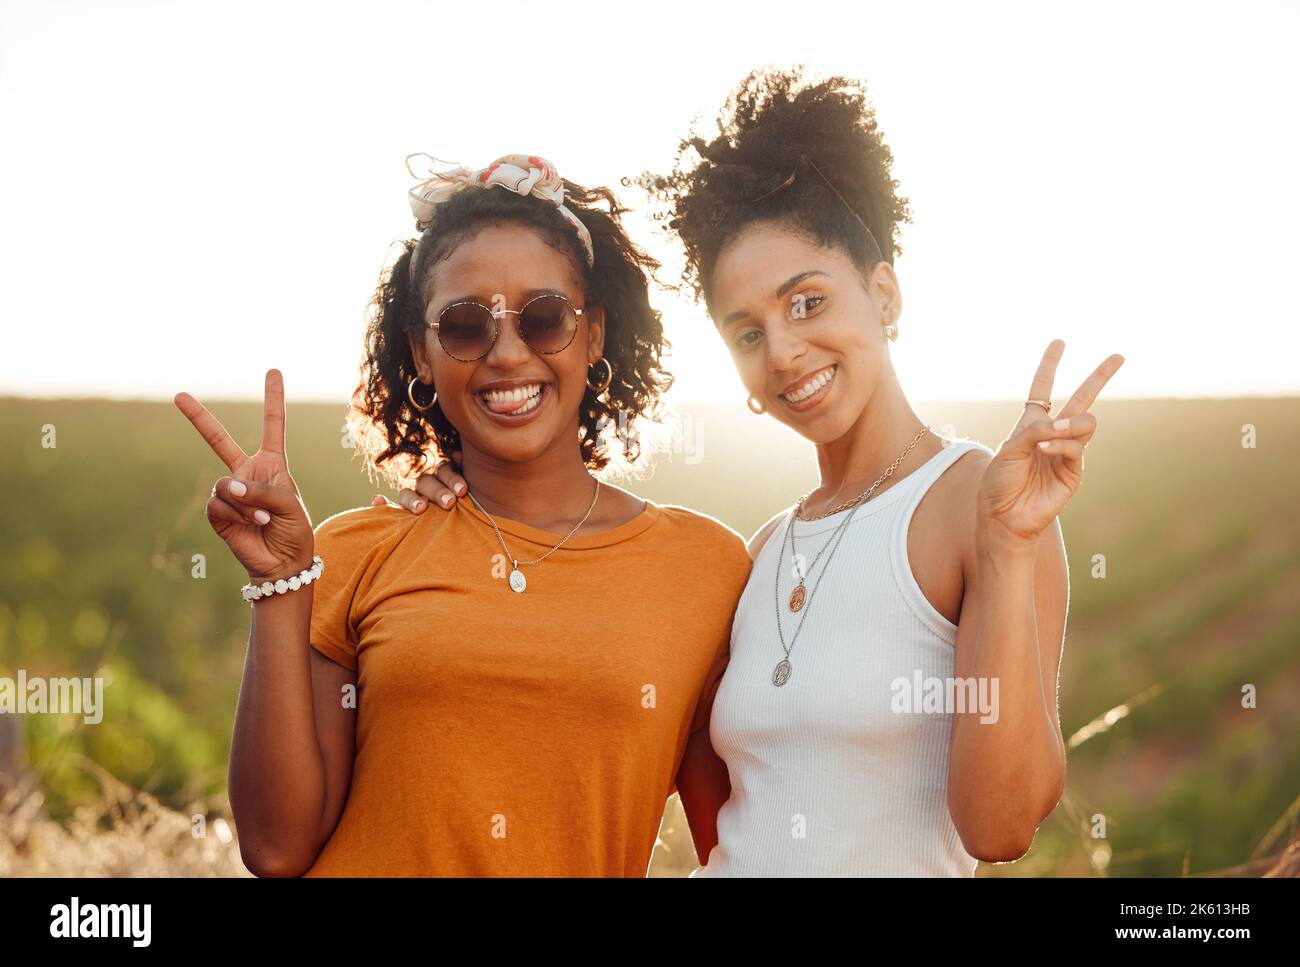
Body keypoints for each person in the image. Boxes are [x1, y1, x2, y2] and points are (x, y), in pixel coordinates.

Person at [400, 70, 1124, 876]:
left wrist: (1010, 544)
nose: (782, 352)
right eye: (747, 333)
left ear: (882, 293)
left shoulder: (978, 505)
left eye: (806, 303)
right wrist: (460, 504)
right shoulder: (764, 550)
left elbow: (999, 825)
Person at [174, 152, 749, 876]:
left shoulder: (704, 570)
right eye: (466, 326)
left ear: (594, 334)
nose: (507, 354)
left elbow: (734, 851)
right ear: (421, 352)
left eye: (543, 319)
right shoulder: (357, 550)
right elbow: (276, 846)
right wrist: (282, 582)